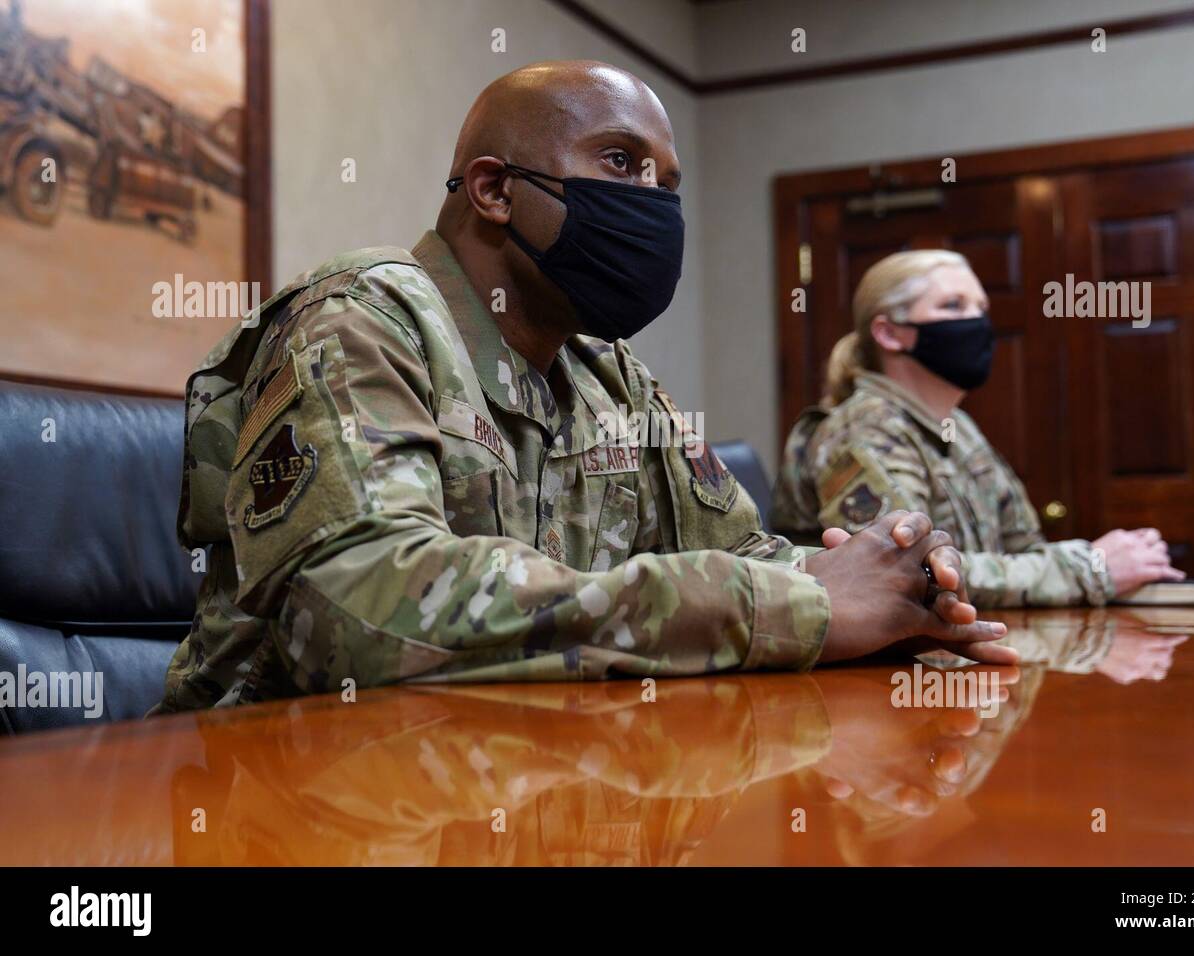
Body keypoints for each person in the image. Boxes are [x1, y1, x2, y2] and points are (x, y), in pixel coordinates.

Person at [153, 62, 1012, 713]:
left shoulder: (611, 375)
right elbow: (359, 612)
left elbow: (751, 554)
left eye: (667, 185)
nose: (656, 207)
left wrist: (893, 582)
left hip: (522, 774)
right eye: (621, 162)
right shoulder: (360, 319)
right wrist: (794, 604)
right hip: (291, 790)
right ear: (494, 190)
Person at [770, 249, 1183, 608]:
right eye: (952, 306)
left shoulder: (956, 425)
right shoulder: (861, 431)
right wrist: (1088, 569)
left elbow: (1021, 545)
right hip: (884, 676)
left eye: (980, 309)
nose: (976, 322)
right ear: (889, 333)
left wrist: (1118, 563)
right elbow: (914, 573)